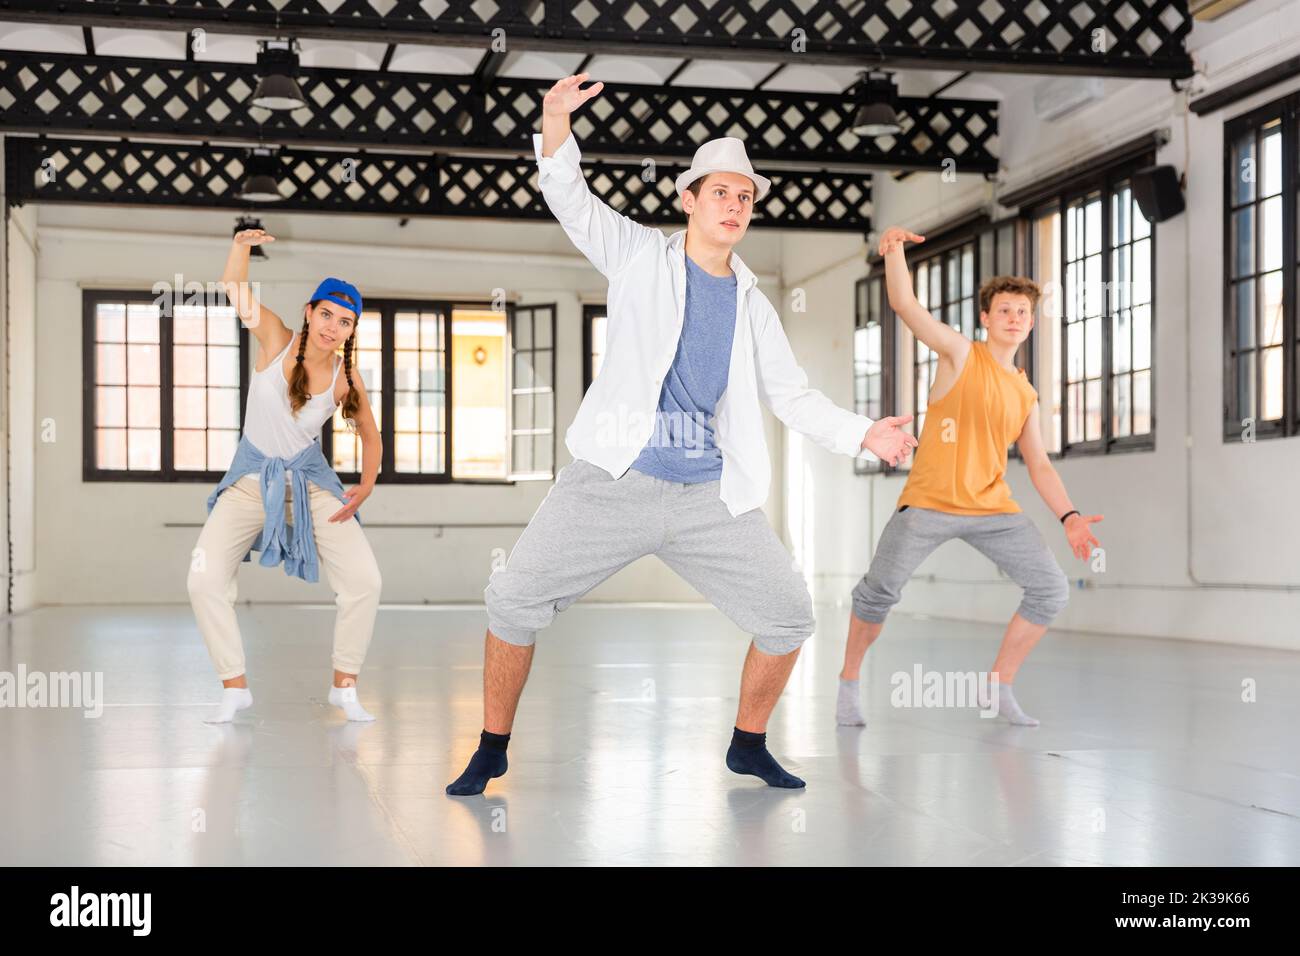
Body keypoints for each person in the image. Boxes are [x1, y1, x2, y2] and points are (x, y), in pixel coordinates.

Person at [446, 74, 917, 796]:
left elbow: (792, 395)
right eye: (720, 192)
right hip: (611, 482)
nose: (734, 205)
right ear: (687, 199)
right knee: (512, 601)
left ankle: (748, 745)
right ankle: (491, 747)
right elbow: (569, 198)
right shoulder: (638, 257)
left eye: (746, 196)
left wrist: (865, 435)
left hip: (706, 496)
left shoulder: (753, 306)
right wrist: (553, 119)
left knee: (789, 615)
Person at [836, 226, 1103, 728]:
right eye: (1004, 310)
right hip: (930, 503)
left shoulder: (1025, 393)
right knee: (878, 595)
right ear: (986, 317)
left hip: (992, 510)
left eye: (1023, 312)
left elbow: (1039, 462)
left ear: (1030, 323)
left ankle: (998, 685)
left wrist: (1068, 516)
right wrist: (893, 253)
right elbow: (905, 306)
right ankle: (849, 681)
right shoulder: (960, 354)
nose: (1014, 318)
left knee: (1050, 590)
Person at [186, 228, 384, 724]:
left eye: (344, 322)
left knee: (365, 580)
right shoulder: (275, 338)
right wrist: (239, 245)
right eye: (326, 315)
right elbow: (234, 289)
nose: (332, 328)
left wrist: (367, 483)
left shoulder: (345, 377)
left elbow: (372, 437)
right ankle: (234, 687)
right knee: (203, 578)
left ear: (350, 331)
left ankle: (345, 686)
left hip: (310, 483)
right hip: (252, 478)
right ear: (309, 312)